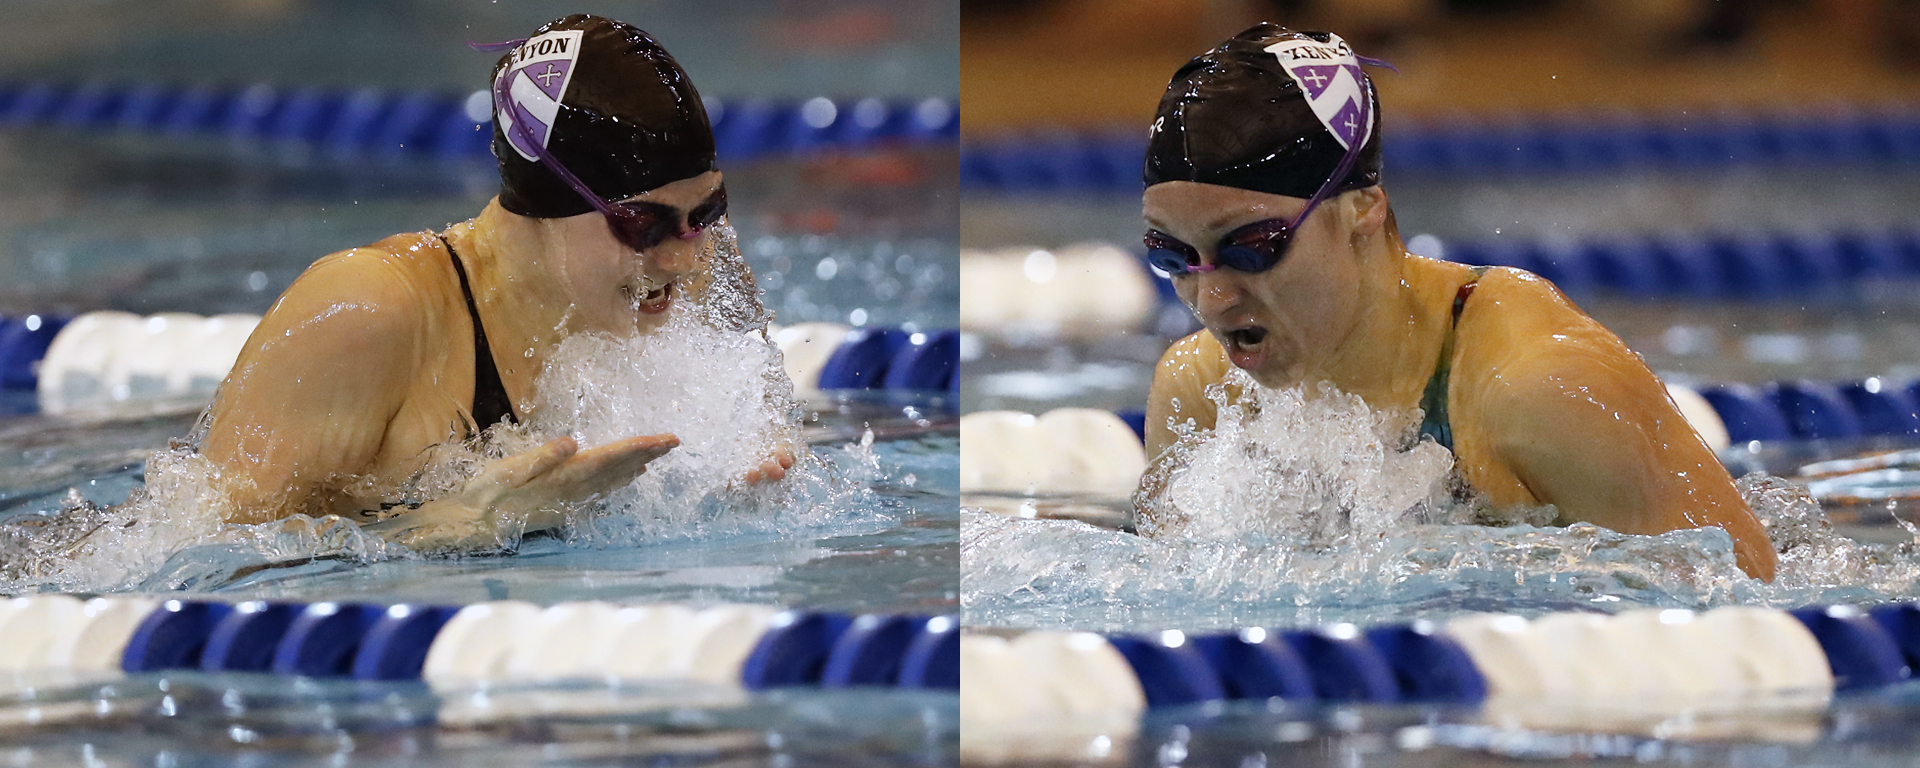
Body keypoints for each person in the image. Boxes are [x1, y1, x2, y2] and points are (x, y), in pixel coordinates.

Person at [1136, 24, 1777, 581]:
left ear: (1362, 209)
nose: (1211, 296)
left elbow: (1749, 612)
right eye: (1173, 256)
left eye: (1252, 247)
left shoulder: (1536, 390)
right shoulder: (1201, 396)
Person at [197, 15, 793, 553]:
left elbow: (772, 427)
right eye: (643, 225)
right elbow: (204, 557)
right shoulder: (370, 313)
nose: (685, 260)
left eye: (709, 210)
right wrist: (453, 524)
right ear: (545, 207)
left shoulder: (698, 265)